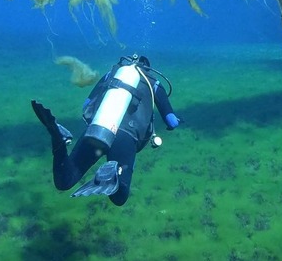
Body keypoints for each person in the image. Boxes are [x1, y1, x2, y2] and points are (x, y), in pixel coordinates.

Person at [31, 54, 180, 206]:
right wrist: (173, 123)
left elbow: (86, 105)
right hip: (126, 138)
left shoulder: (112, 74)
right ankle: (113, 171)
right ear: (148, 68)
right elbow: (172, 121)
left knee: (64, 181)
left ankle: (59, 141)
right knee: (119, 198)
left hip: (98, 128)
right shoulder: (153, 82)